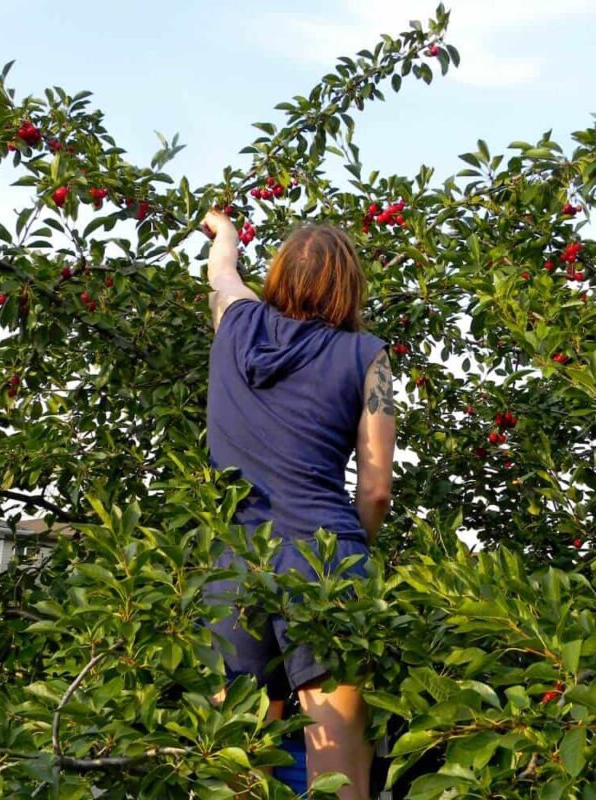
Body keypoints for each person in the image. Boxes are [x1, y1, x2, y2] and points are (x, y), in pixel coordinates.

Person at [202, 208, 396, 800]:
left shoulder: (234, 323)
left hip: (234, 566)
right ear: (349, 287)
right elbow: (377, 487)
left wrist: (226, 232)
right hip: (324, 561)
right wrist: (350, 552)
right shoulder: (367, 355)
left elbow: (222, 273)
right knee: (338, 776)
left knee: (232, 766)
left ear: (280, 275)